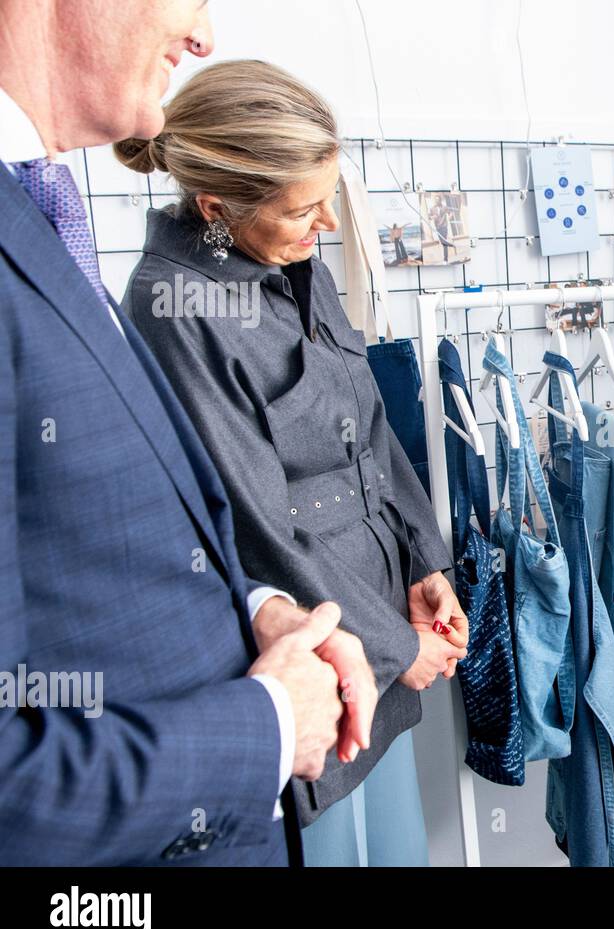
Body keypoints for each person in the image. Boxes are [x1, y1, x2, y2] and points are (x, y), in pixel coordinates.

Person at [0, 0, 377, 866]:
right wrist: (270, 723)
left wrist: (260, 613)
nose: (203, 36)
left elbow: (107, 547)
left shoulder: (43, 214)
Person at [117, 59, 470, 867]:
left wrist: (424, 565)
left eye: (327, 202)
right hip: (314, 656)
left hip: (380, 624)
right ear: (215, 209)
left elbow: (374, 428)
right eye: (303, 210)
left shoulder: (292, 262)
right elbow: (251, 520)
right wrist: (393, 645)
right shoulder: (176, 306)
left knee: (400, 854)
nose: (326, 227)